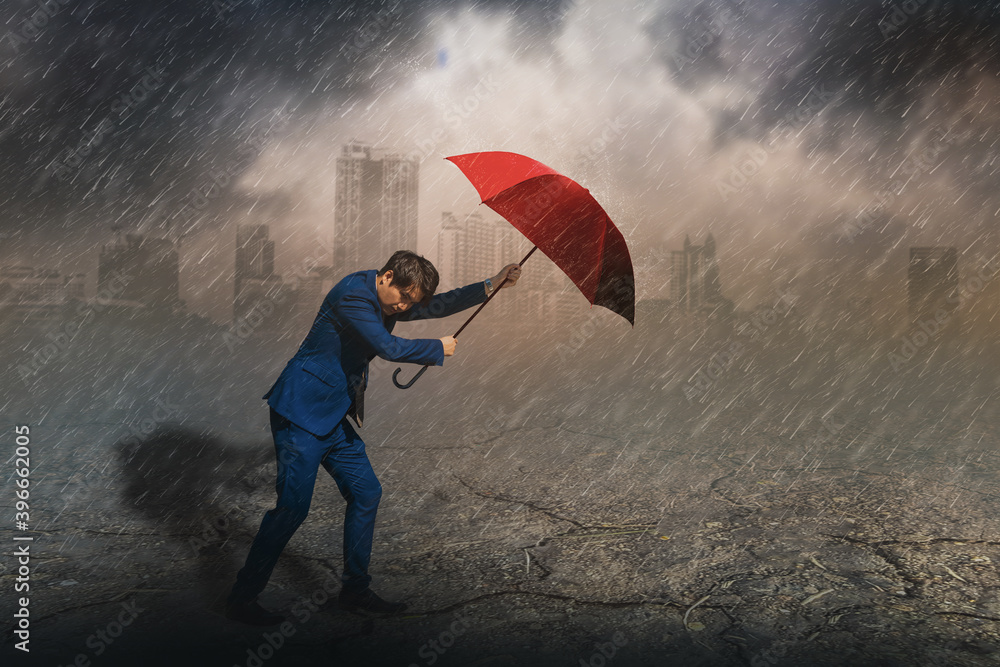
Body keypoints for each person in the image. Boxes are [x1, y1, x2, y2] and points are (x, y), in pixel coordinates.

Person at [225, 249, 521, 625]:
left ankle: (355, 591)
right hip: (299, 412)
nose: (405, 306)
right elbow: (388, 347)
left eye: (412, 301)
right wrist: (436, 348)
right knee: (291, 511)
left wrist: (492, 283)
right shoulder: (353, 295)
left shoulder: (388, 298)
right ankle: (242, 599)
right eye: (404, 296)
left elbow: (437, 305)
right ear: (386, 276)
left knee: (367, 493)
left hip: (332, 416)